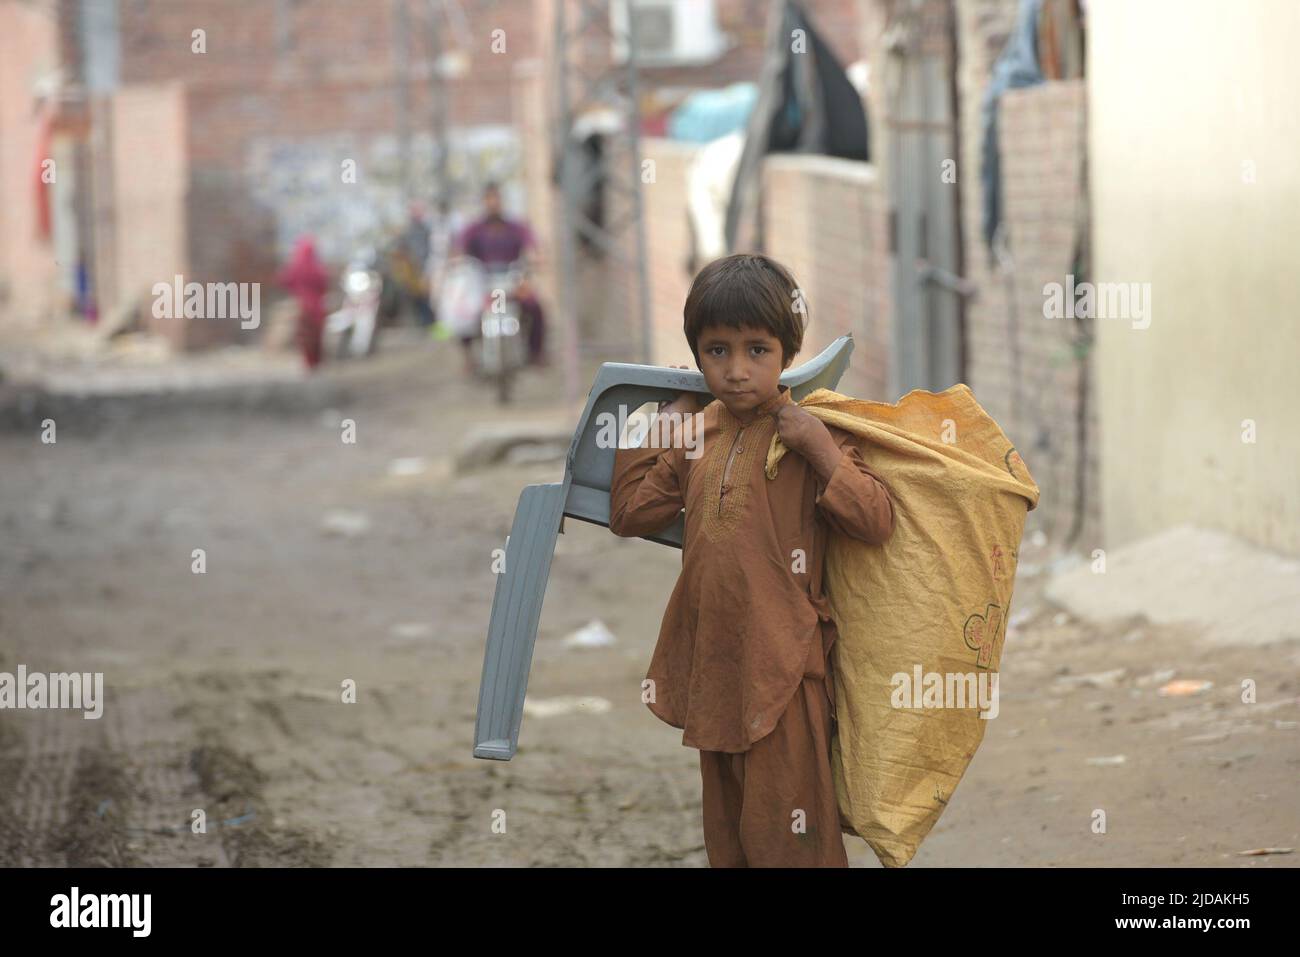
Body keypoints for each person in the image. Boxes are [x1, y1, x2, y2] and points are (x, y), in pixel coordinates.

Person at [608, 253, 897, 867]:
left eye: (757, 351)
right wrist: (665, 426)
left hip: (785, 667)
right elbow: (630, 513)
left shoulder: (813, 430)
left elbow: (875, 521)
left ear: (788, 352)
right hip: (714, 664)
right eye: (717, 352)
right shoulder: (697, 434)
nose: (737, 371)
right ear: (696, 355)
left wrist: (820, 450)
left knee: (789, 838)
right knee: (731, 837)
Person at [453, 182, 548, 368]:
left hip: (511, 283)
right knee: (465, 313)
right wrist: (457, 261)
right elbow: (459, 248)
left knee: (534, 306)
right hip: (483, 285)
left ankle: (536, 354)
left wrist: (537, 257)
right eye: (489, 199)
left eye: (496, 199)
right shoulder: (475, 229)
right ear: (484, 202)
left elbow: (532, 245)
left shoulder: (516, 227)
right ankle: (468, 357)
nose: (493, 203)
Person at [276, 235, 331, 371]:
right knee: (316, 335)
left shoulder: (295, 265)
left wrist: (296, 291)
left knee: (305, 337)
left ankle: (308, 362)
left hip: (302, 306)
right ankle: (316, 362)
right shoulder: (316, 266)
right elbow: (324, 282)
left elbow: (284, 280)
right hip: (317, 306)